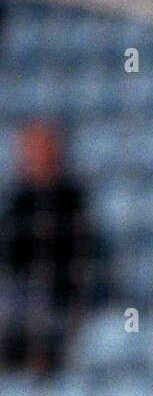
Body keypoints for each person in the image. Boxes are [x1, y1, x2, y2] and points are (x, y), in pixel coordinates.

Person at [0, 120, 98, 375]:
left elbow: (76, 261)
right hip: (19, 297)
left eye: (39, 150)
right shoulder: (18, 201)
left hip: (54, 300)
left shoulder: (71, 199)